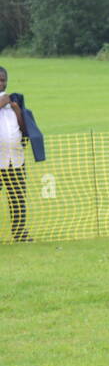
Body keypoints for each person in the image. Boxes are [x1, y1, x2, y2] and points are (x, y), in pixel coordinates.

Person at [0, 65, 31, 242]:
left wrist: (18, 112)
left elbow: (25, 130)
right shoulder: (3, 101)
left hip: (15, 159)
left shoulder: (14, 101)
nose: (1, 83)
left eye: (3, 80)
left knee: (18, 197)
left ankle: (20, 232)